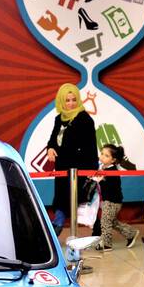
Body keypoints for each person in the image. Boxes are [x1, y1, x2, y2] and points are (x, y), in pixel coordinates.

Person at [45, 83, 96, 235]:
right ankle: (59, 222)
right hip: (62, 167)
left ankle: (58, 223)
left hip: (79, 167)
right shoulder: (58, 119)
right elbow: (53, 140)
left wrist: (90, 171)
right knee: (63, 197)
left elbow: (90, 147)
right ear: (61, 101)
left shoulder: (84, 119)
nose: (71, 103)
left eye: (74, 99)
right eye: (67, 100)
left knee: (78, 200)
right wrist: (51, 148)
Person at [92, 143, 138, 251]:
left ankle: (107, 244)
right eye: (102, 154)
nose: (102, 156)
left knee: (105, 222)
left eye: (106, 156)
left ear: (113, 160)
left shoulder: (112, 171)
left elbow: (110, 187)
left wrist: (101, 180)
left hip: (113, 201)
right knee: (112, 222)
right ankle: (131, 233)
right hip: (108, 200)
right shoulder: (104, 169)